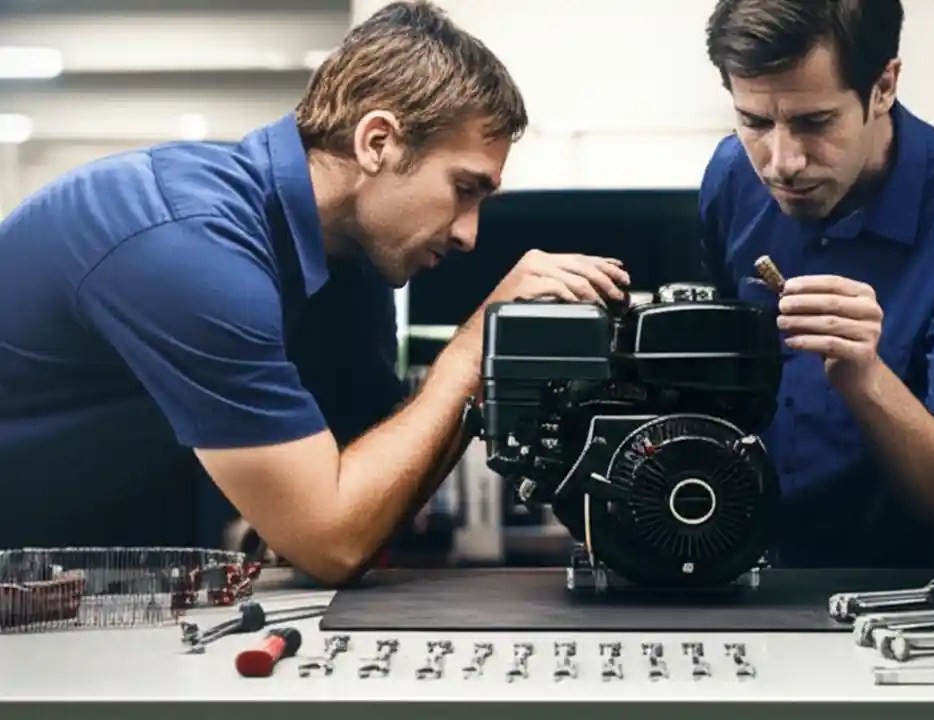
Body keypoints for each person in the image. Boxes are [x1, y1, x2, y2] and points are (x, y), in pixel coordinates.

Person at [0, 1, 629, 585]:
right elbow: (335, 541)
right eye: (464, 189)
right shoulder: (189, 245)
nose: (470, 234)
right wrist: (475, 349)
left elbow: (382, 493)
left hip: (106, 571)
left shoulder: (347, 261)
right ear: (377, 142)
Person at [698, 0, 934, 568]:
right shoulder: (734, 177)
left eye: (814, 122)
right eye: (755, 122)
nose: (781, 163)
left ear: (884, 86)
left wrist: (865, 377)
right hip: (774, 571)